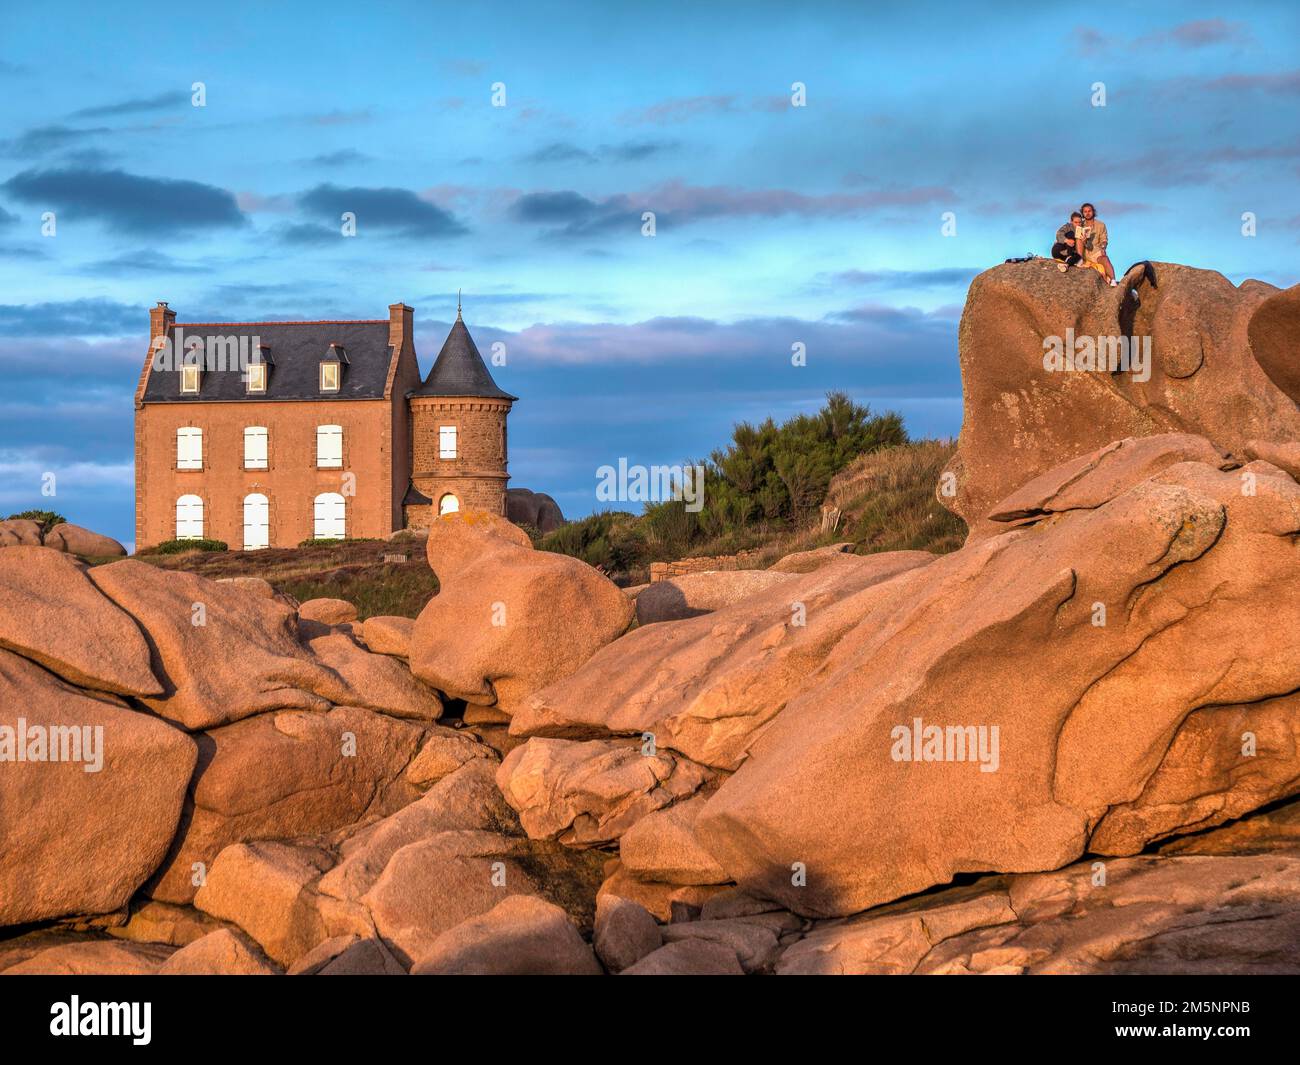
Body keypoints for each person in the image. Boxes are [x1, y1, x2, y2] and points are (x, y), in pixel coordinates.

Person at [1080, 202, 1117, 285]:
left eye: (1089, 211)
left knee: (1104, 259)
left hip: (1095, 251)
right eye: (1085, 211)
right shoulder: (1080, 224)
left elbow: (1104, 239)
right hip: (1083, 252)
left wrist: (1103, 248)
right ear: (1082, 213)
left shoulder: (1101, 225)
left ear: (1093, 212)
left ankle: (1113, 281)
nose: (1087, 213)